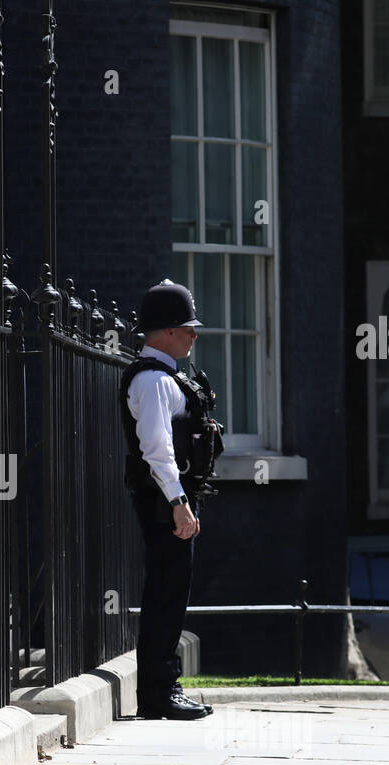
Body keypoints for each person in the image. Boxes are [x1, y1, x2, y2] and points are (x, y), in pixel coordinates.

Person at [119, 279, 216, 721]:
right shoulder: (154, 381)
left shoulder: (167, 376)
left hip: (171, 497)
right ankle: (160, 692)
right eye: (186, 328)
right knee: (166, 592)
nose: (194, 335)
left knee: (171, 590)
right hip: (164, 500)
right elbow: (157, 448)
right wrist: (178, 501)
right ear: (165, 332)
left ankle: (164, 687)